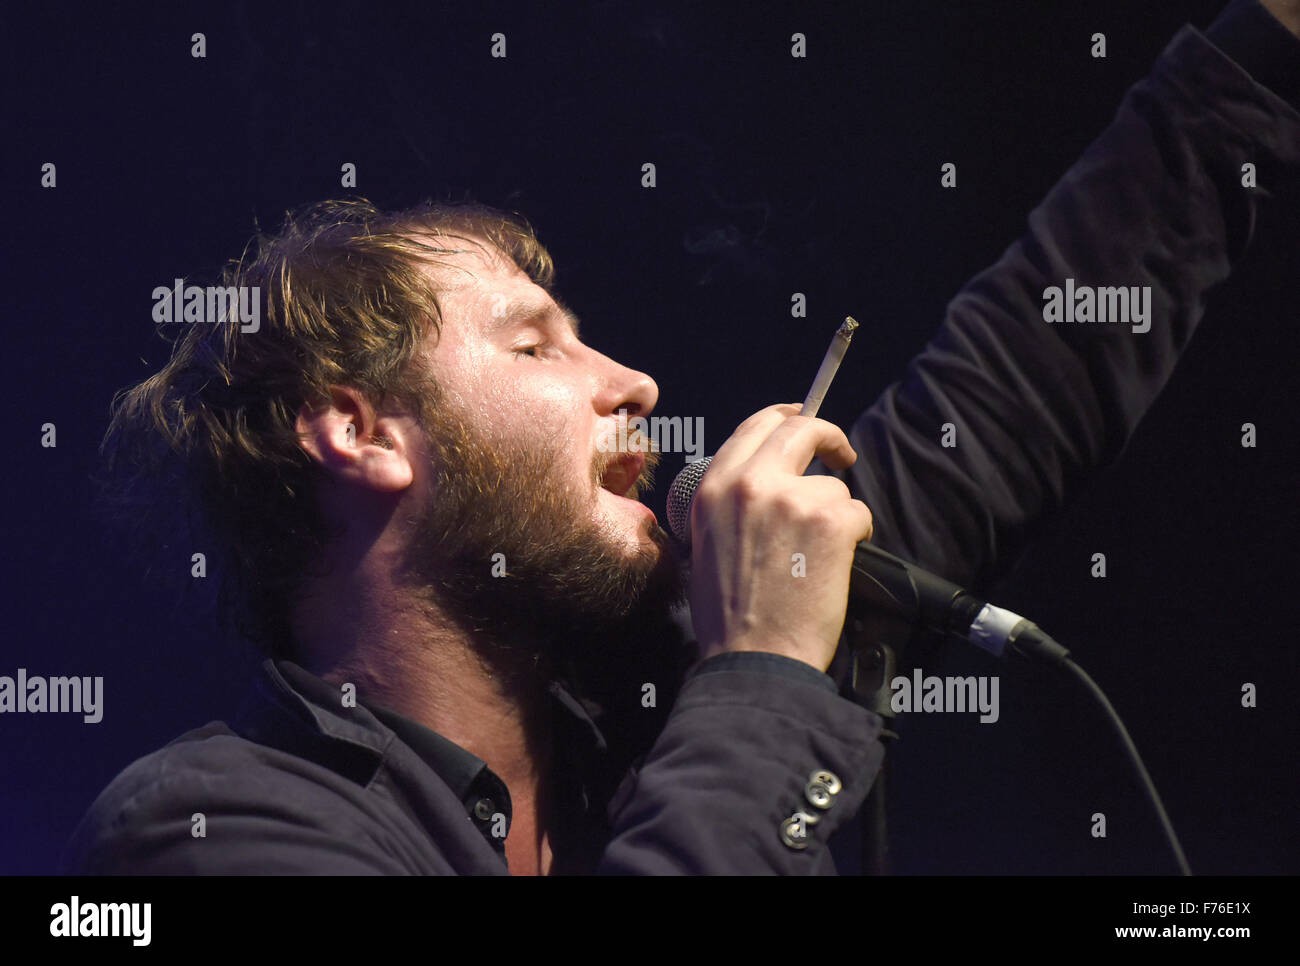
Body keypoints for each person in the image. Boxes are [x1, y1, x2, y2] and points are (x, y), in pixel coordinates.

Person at [64, 0, 1300, 875]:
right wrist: (762, 675)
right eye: (536, 345)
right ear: (359, 430)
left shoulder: (646, 706)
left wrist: (1256, 60)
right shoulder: (210, 826)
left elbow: (1010, 392)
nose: (637, 384)